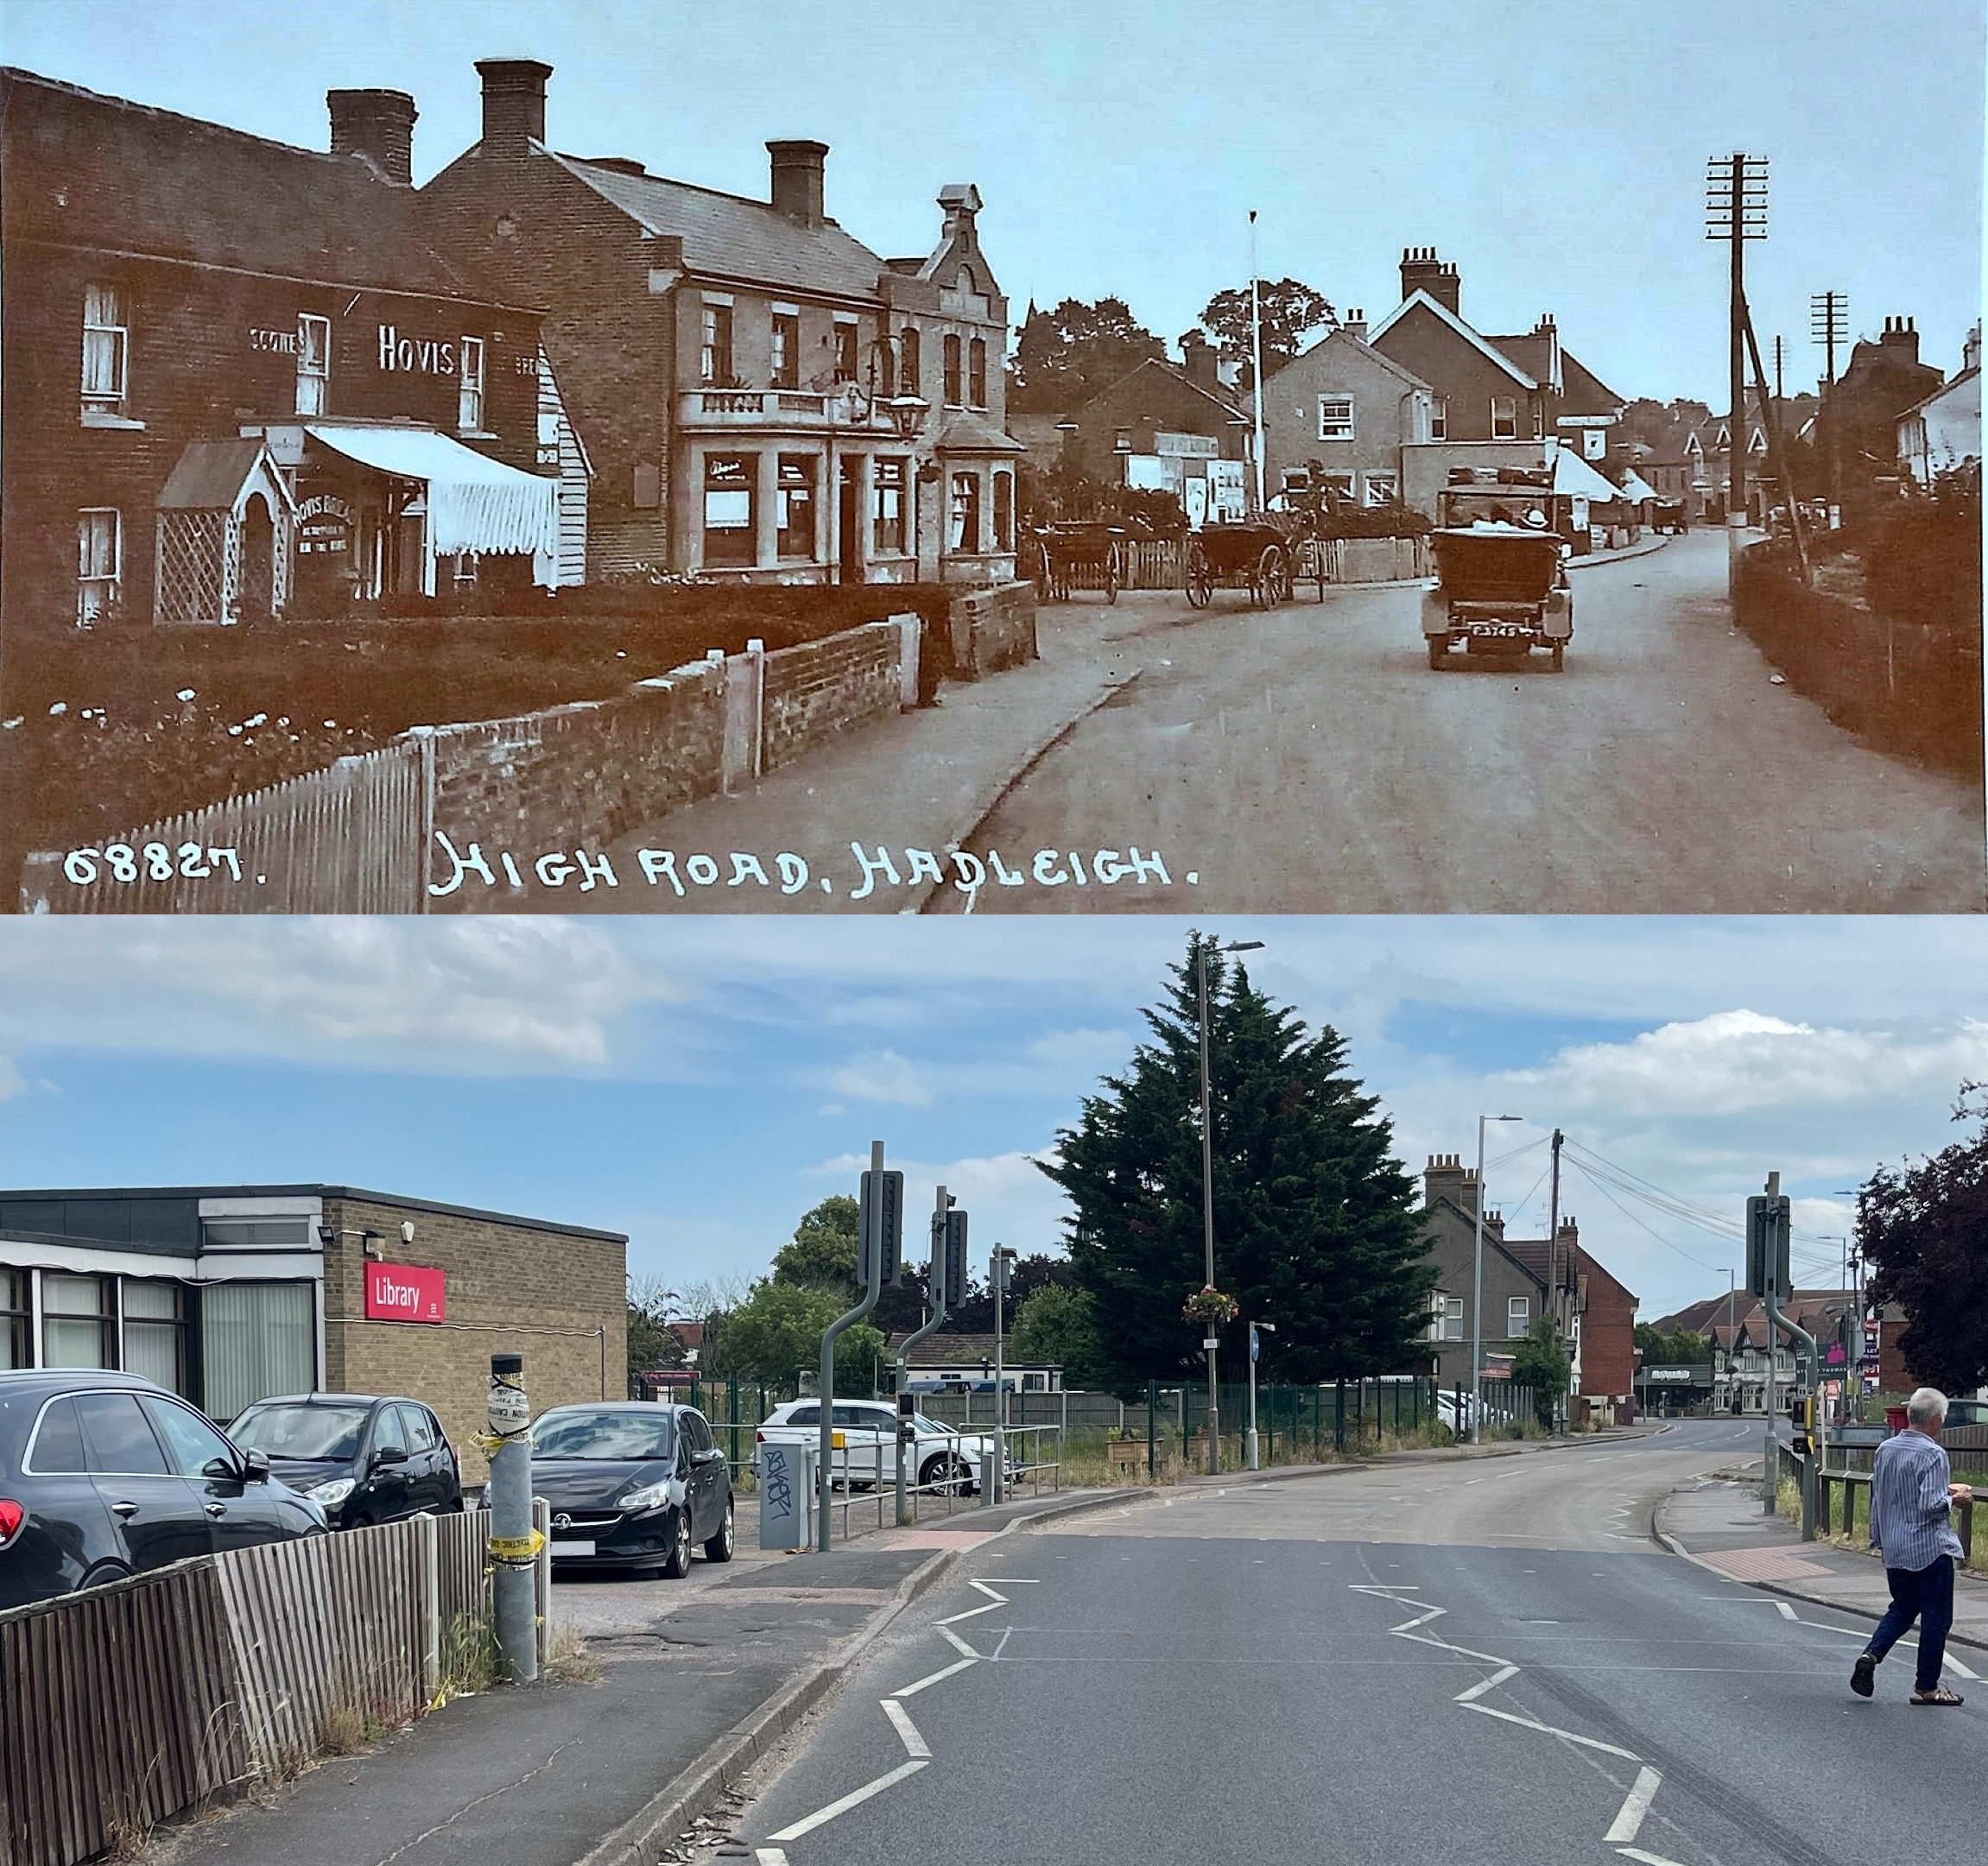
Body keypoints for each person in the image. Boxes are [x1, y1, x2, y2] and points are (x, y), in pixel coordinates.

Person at [1854, 1385, 1975, 1705]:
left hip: (1895, 1547)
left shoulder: (1886, 1450)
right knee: (1937, 1619)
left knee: (1903, 1609)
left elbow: (1881, 1497)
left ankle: (1871, 1655)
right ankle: (1927, 1687)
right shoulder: (1934, 1454)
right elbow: (1930, 1505)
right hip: (1929, 1550)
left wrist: (1878, 1539)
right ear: (1936, 1420)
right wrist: (1957, 1498)